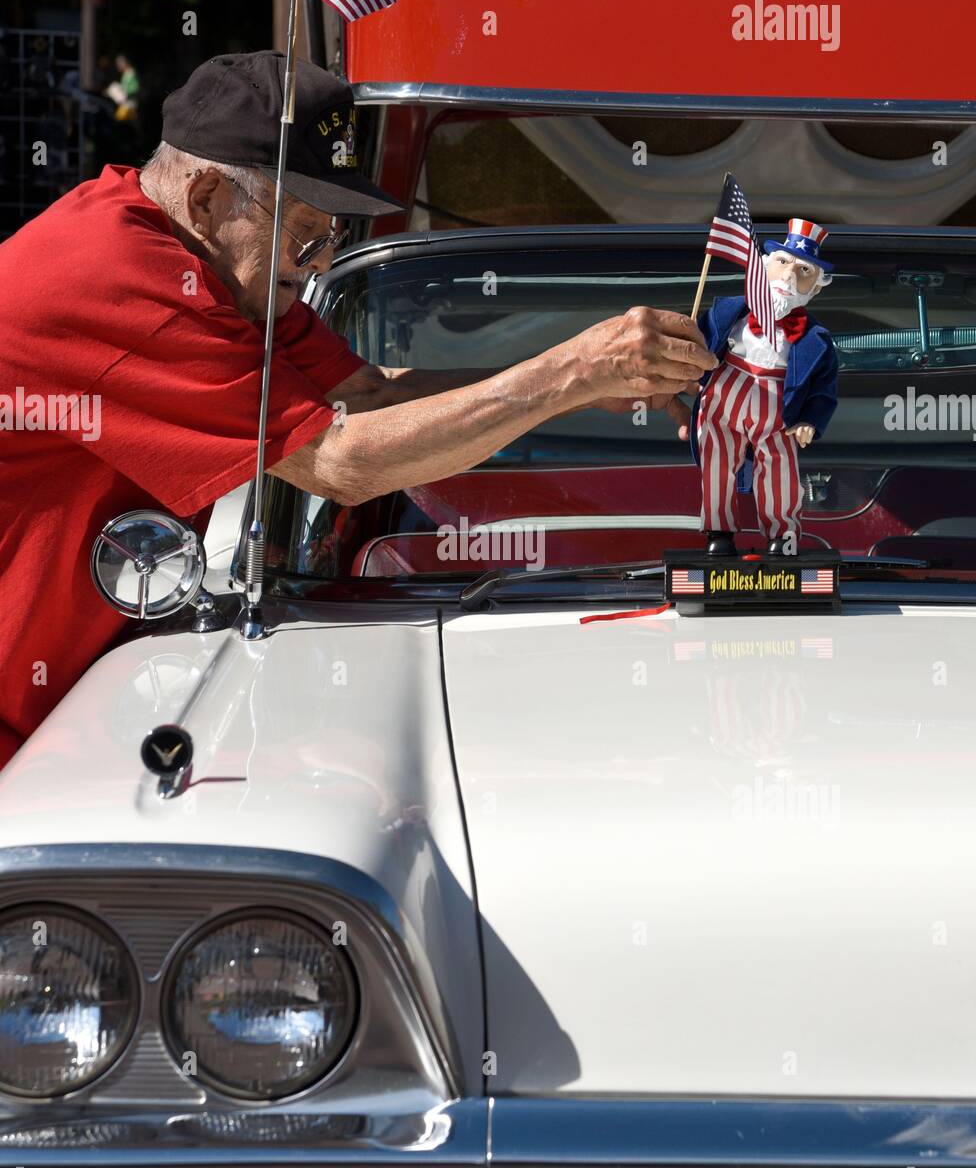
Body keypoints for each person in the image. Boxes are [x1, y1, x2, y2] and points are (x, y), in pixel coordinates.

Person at [0, 50, 715, 769]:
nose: (315, 263)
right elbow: (338, 461)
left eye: (331, 239)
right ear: (209, 197)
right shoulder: (120, 279)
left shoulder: (204, 263)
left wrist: (586, 380)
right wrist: (572, 371)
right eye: (307, 233)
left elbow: (369, 397)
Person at [690, 219, 838, 556]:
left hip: (778, 412)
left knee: (781, 474)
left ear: (816, 288)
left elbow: (823, 390)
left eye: (803, 271)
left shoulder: (816, 340)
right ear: (763, 266)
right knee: (717, 464)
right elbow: (697, 344)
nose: (789, 277)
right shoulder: (727, 311)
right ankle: (719, 533)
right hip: (722, 402)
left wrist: (810, 420)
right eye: (783, 263)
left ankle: (783, 536)